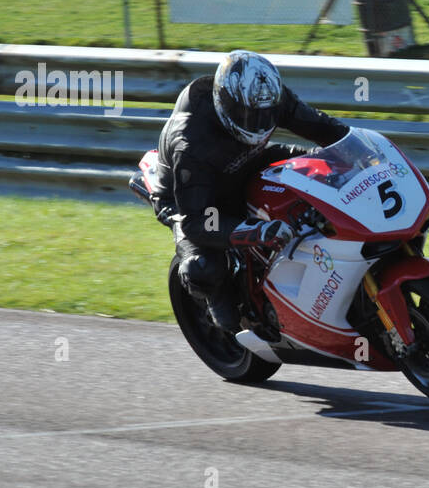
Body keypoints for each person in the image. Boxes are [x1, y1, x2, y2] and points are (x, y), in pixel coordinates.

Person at [145, 50, 349, 333]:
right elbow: (198, 221)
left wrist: (357, 151)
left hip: (245, 162)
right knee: (203, 267)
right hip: (191, 198)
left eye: (266, 115)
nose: (260, 122)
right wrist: (258, 231)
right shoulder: (191, 142)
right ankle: (217, 303)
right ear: (224, 104)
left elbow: (323, 127)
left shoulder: (267, 95)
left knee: (320, 166)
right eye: (249, 115)